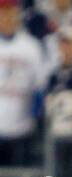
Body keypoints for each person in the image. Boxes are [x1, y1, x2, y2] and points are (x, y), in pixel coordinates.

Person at [0, 0, 49, 166]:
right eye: (3, 12)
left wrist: (35, 118)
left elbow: (40, 87)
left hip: (22, 130)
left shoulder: (31, 46)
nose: (7, 17)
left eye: (11, 12)